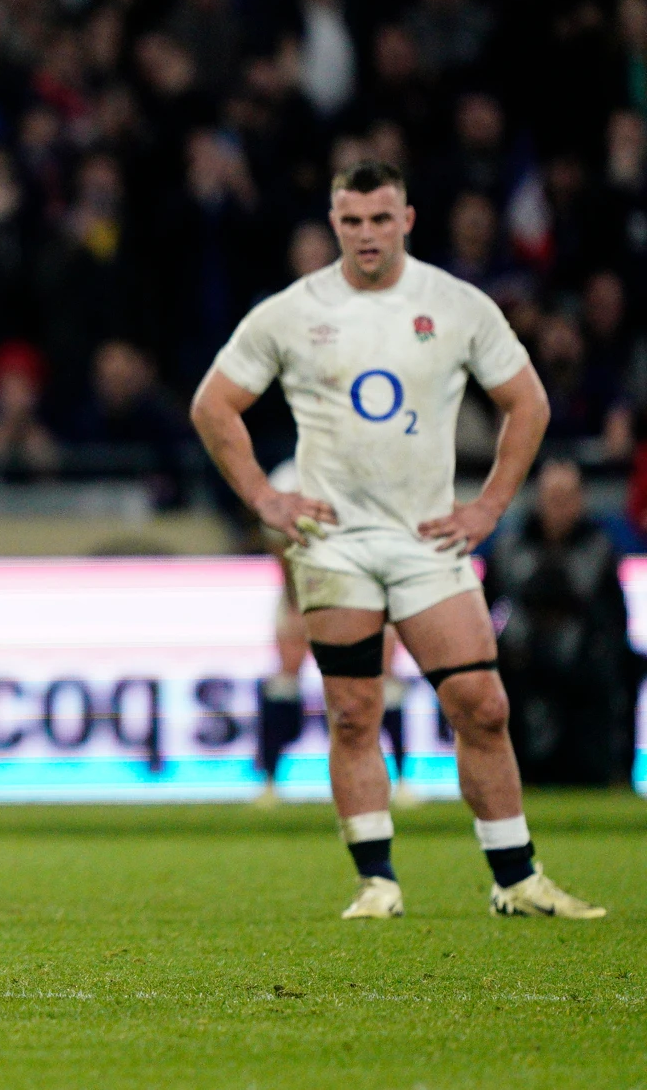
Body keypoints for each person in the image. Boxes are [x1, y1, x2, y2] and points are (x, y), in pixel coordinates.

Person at [191, 159, 605, 921]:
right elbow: (214, 404)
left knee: (480, 702)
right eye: (351, 221)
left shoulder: (455, 304)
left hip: (427, 539)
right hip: (334, 541)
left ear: (407, 219)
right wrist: (263, 496)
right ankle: (377, 882)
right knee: (353, 710)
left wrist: (488, 508)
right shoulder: (292, 311)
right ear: (334, 223)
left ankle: (516, 878)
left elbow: (528, 403)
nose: (367, 234)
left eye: (380, 219)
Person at [253, 458, 415, 810]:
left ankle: (402, 781)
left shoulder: (366, 470)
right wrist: (298, 605)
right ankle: (268, 782)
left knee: (384, 680)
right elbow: (279, 546)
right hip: (305, 589)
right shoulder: (288, 477)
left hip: (366, 590)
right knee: (286, 676)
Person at [484, 459, 640, 787]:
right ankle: (500, 779)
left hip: (583, 667)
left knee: (624, 668)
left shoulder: (598, 548)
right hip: (520, 663)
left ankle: (613, 775)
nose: (559, 506)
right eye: (552, 495)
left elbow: (615, 619)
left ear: (581, 499)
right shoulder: (510, 547)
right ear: (537, 497)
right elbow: (486, 611)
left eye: (567, 496)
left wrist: (595, 652)